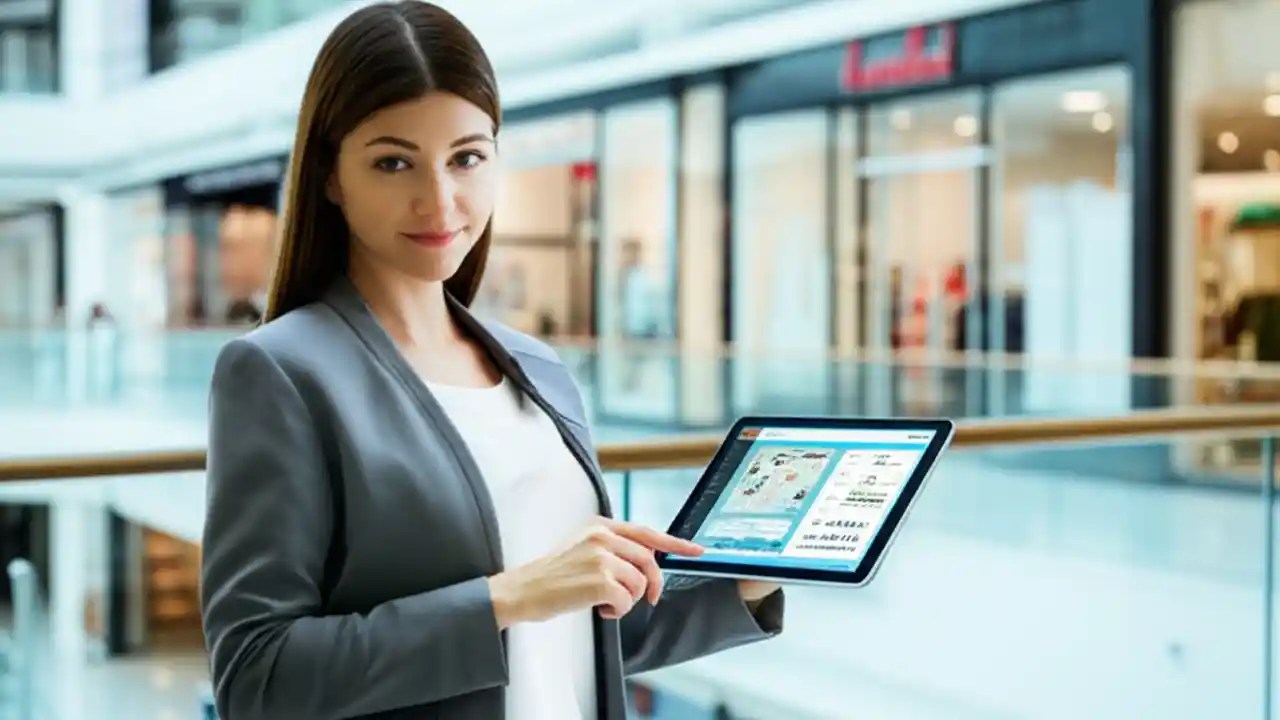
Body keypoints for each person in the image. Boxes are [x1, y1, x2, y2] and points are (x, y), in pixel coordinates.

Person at [198, 4, 785, 720]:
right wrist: (511, 595)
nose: (439, 199)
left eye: (467, 158)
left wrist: (747, 584)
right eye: (393, 162)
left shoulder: (539, 372)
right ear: (330, 177)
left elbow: (573, 636)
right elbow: (257, 678)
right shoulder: (280, 373)